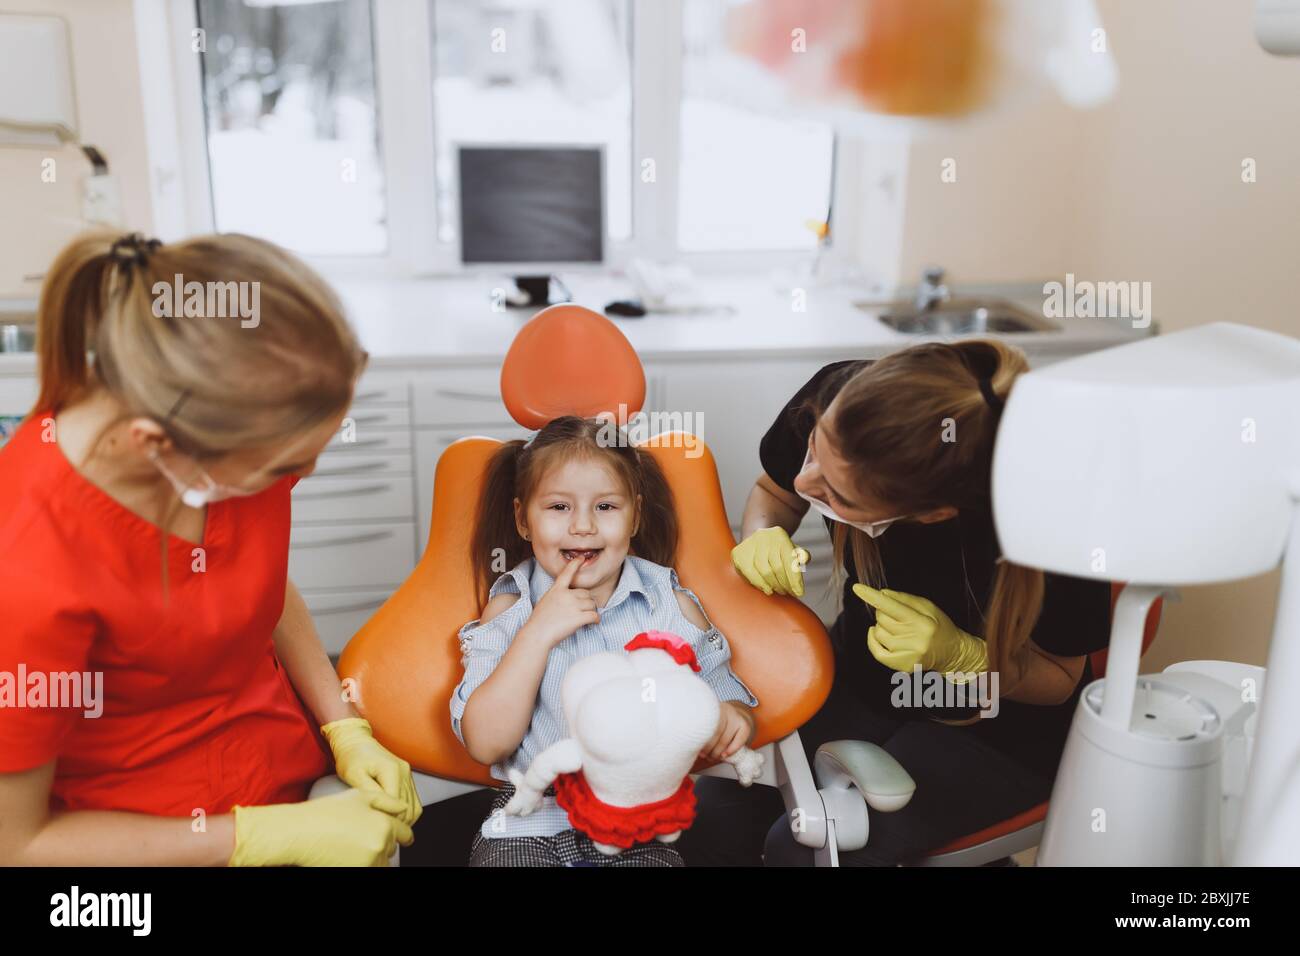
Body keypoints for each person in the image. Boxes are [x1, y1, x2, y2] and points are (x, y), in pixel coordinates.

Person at [0, 230, 420, 866]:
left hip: (282, 770)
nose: (301, 474)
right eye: (288, 465)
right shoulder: (26, 562)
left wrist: (344, 726)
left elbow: (256, 578)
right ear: (156, 445)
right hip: (134, 843)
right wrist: (262, 839)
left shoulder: (219, 439)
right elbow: (19, 844)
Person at [683, 339, 1111, 866]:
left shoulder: (1061, 519)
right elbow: (776, 492)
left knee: (804, 848)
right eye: (815, 449)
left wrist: (964, 658)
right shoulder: (845, 398)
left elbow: (1060, 679)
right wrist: (761, 533)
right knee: (712, 819)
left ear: (932, 514)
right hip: (861, 678)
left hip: (1002, 732)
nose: (806, 479)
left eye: (840, 496)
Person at [451, 415, 759, 866]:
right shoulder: (510, 609)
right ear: (522, 519)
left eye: (605, 507)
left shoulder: (669, 605)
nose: (582, 527)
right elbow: (485, 744)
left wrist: (733, 721)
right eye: (558, 507)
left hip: (639, 820)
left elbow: (727, 703)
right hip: (526, 816)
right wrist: (536, 634)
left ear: (634, 515)